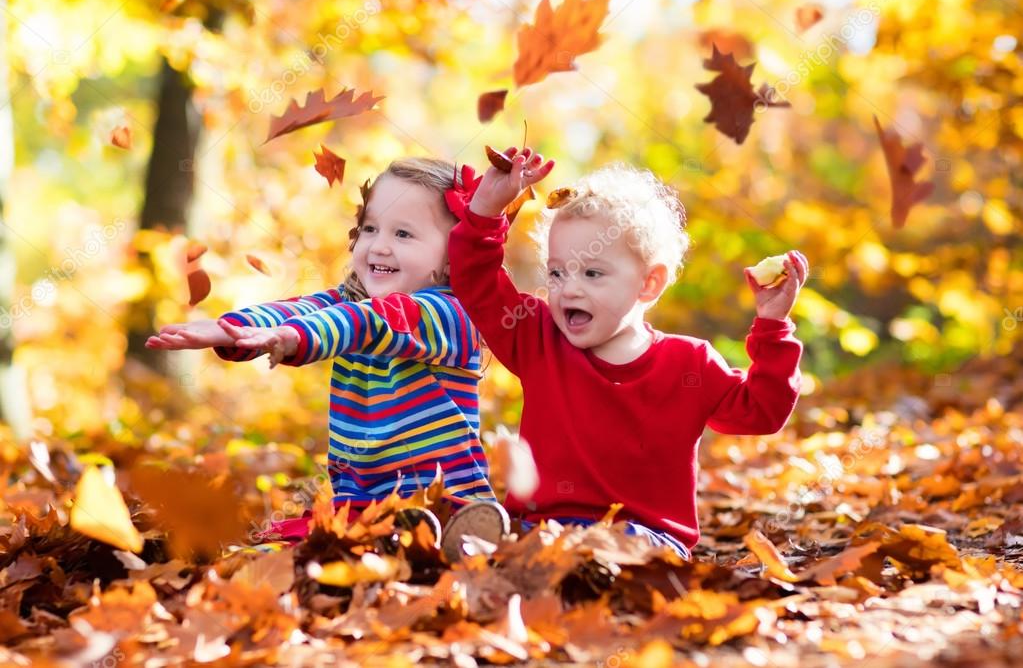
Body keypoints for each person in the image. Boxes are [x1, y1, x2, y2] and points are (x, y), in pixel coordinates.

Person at [445, 147, 808, 558]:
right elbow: (477, 282)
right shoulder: (537, 337)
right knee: (507, 533)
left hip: (643, 537)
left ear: (648, 284)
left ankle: (561, 566)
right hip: (543, 527)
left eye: (593, 273)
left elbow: (762, 410)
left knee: (627, 545)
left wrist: (773, 326)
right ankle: (496, 556)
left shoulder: (690, 363)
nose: (569, 288)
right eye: (557, 272)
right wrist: (485, 212)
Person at [147, 157, 509, 560]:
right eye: (370, 228)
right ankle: (383, 544)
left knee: (398, 542)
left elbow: (366, 324)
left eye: (403, 233)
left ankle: (455, 542)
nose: (379, 245)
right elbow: (303, 309)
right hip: (361, 499)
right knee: (286, 551)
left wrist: (296, 338)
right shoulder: (352, 301)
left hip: (445, 497)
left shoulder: (451, 314)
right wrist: (232, 329)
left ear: (452, 255)